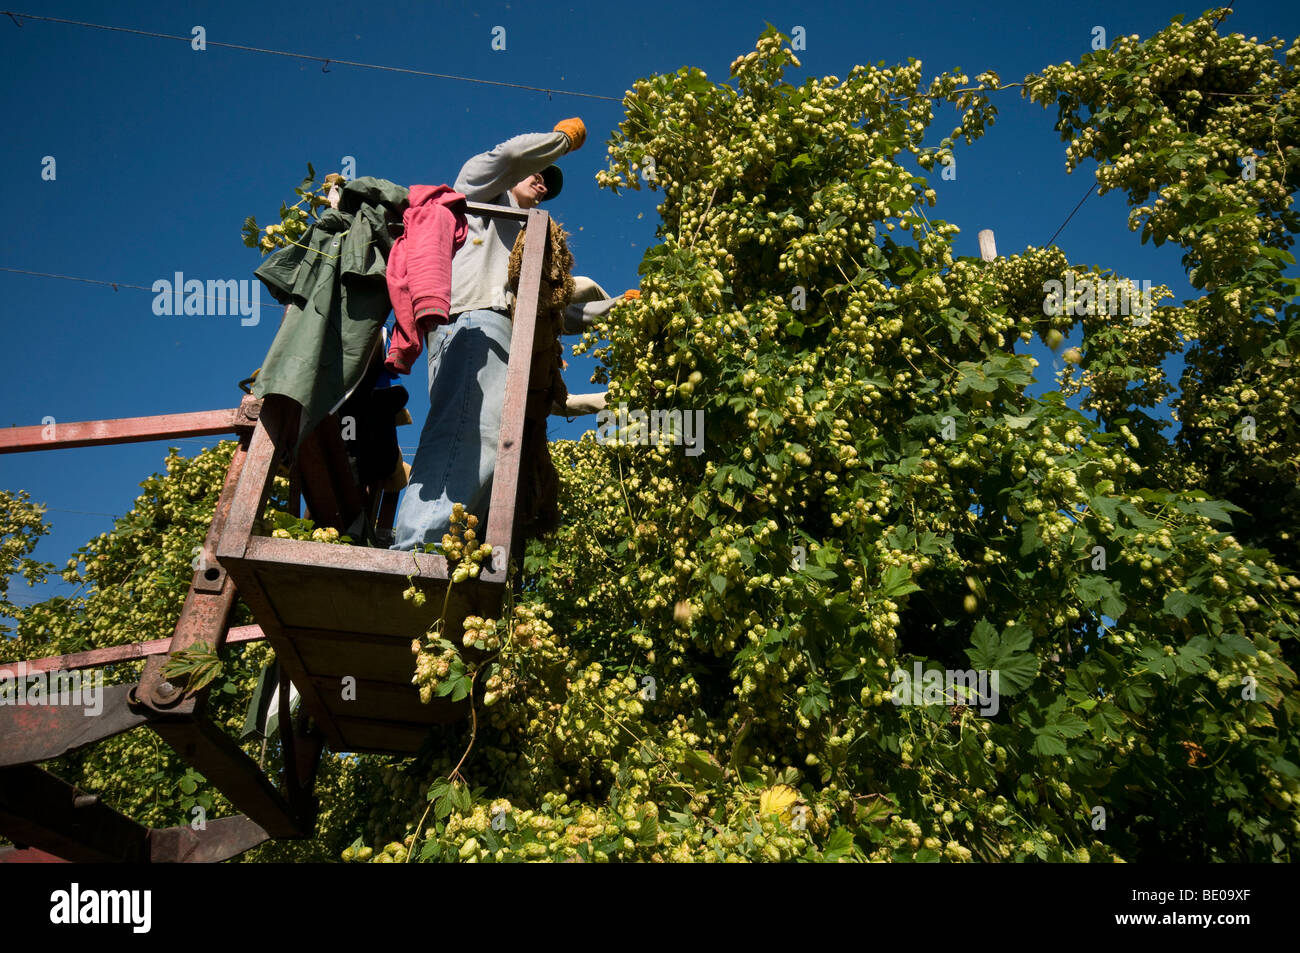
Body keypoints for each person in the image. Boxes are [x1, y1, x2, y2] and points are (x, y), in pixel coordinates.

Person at [390, 120, 624, 553]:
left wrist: (620, 309)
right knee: (468, 427)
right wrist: (563, 141)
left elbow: (557, 312)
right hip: (474, 324)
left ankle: (450, 542)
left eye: (547, 181)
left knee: (495, 441)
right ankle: (420, 546)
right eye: (537, 172)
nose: (540, 180)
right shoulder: (476, 193)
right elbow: (512, 157)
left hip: (502, 332)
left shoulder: (520, 239)